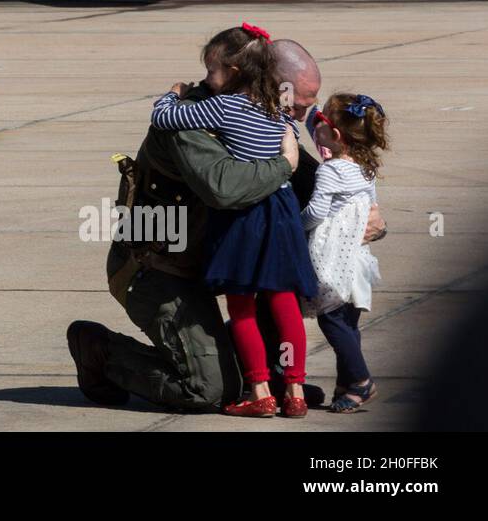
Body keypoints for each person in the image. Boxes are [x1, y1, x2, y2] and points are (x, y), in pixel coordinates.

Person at [67, 38, 383, 413]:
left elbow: (320, 184)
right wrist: (284, 165)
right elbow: (226, 189)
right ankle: (100, 351)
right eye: (299, 104)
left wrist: (368, 217)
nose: (305, 114)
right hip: (160, 268)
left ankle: (277, 380)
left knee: (275, 297)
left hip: (219, 261)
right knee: (210, 389)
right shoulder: (197, 120)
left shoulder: (265, 115)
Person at [149, 24, 318, 419]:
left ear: (235, 72)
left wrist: (171, 95)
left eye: (212, 72)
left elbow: (165, 118)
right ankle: (295, 390)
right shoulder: (281, 114)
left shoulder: (224, 106)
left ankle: (259, 390)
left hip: (245, 217)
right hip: (281, 212)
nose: (207, 79)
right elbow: (297, 166)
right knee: (284, 302)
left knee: (241, 307)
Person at [303, 93, 388, 414]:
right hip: (357, 257)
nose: (316, 130)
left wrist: (294, 226)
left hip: (333, 258)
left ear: (335, 136)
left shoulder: (330, 171)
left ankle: (361, 382)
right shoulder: (366, 168)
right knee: (348, 322)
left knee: (332, 321)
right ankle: (344, 383)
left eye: (321, 125)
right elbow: (371, 208)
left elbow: (316, 212)